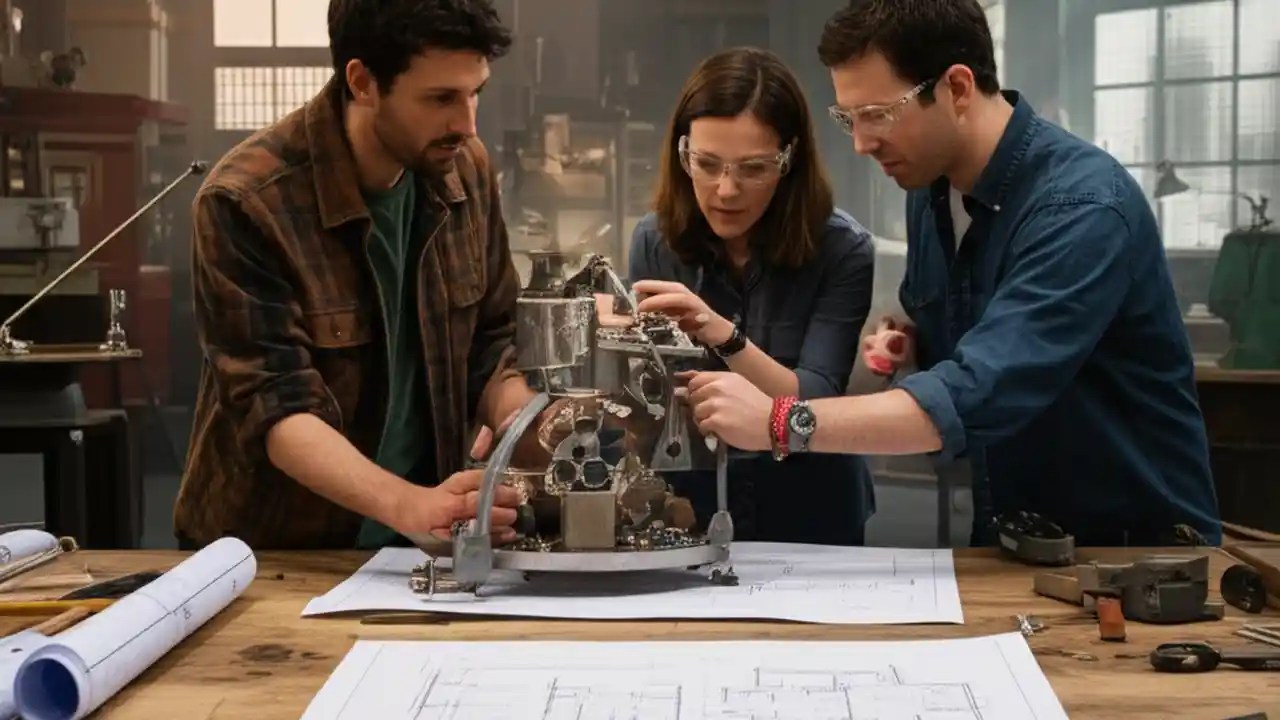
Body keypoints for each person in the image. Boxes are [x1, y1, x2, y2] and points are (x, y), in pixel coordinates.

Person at [682, 0, 1223, 547]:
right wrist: (910, 343)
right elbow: (963, 343)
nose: (861, 143)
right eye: (849, 118)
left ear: (958, 88)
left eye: (877, 114)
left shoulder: (1081, 209)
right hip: (1015, 538)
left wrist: (778, 423)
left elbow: (976, 391)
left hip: (1133, 553)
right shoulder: (930, 193)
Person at [175, 0, 547, 550]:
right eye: (441, 98)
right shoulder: (246, 201)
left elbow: (493, 340)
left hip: (419, 544)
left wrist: (522, 417)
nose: (466, 125)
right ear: (363, 82)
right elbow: (277, 406)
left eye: (475, 93)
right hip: (276, 552)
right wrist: (411, 505)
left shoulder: (465, 169)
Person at [628, 47, 877, 546]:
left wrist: (722, 334)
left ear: (788, 161)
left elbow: (814, 402)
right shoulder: (655, 242)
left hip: (811, 503)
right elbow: (647, 395)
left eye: (753, 168)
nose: (726, 190)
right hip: (689, 502)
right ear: (682, 154)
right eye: (706, 164)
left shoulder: (843, 250)